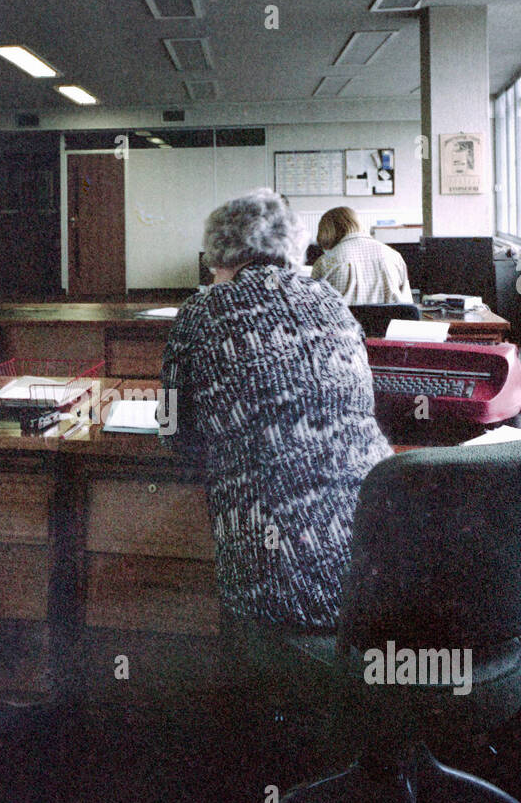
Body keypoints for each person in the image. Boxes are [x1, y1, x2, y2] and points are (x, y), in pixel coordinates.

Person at [160, 189, 393, 635]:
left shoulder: (199, 313)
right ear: (290, 246)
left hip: (275, 583)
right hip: (377, 568)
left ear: (219, 254)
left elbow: (174, 433)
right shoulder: (329, 301)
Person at [311, 206, 414, 305]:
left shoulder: (325, 262)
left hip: (345, 322)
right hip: (390, 321)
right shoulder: (394, 256)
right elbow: (408, 302)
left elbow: (313, 307)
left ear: (327, 232)